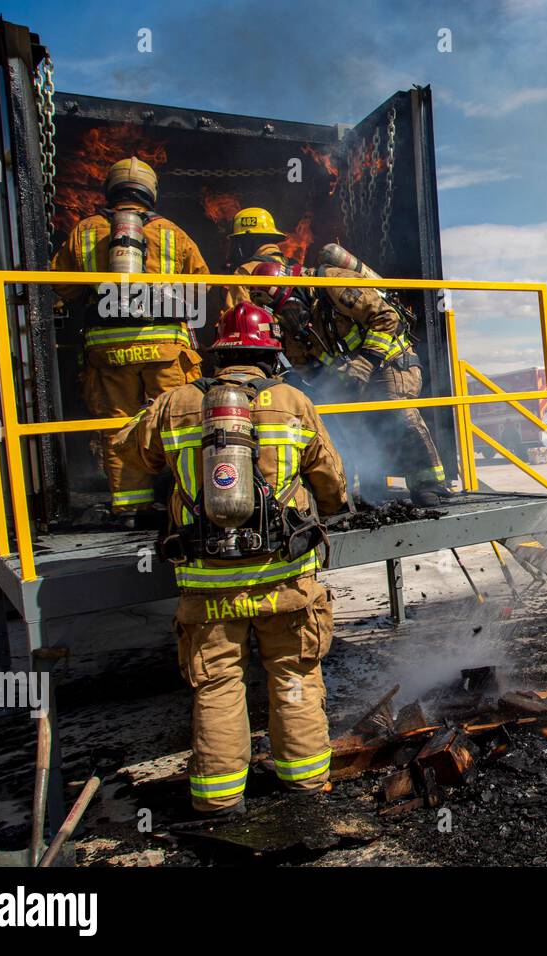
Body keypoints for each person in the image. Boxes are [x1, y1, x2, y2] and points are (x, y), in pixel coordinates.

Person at [113, 302, 347, 818]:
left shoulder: (174, 402)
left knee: (217, 685)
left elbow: (127, 449)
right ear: (270, 353)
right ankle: (306, 784)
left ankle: (219, 799)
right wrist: (332, 509)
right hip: (284, 577)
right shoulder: (292, 401)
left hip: (207, 583)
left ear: (218, 354)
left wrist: (155, 489)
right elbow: (328, 473)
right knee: (295, 674)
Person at [50, 156, 208, 520]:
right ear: (150, 192)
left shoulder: (85, 230)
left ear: (112, 188)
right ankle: (190, 502)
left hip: (108, 353)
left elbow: (60, 285)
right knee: (180, 421)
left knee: (119, 425)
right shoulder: (171, 232)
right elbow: (201, 285)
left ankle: (130, 508)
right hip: (166, 351)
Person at [248, 260, 450, 506]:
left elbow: (387, 318)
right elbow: (303, 364)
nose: (288, 316)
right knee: (345, 424)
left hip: (390, 361)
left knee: (396, 411)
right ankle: (367, 490)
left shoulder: (332, 283)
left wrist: (365, 362)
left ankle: (428, 485)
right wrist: (316, 386)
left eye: (288, 307)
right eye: (281, 313)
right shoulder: (292, 326)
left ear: (296, 287)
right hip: (350, 376)